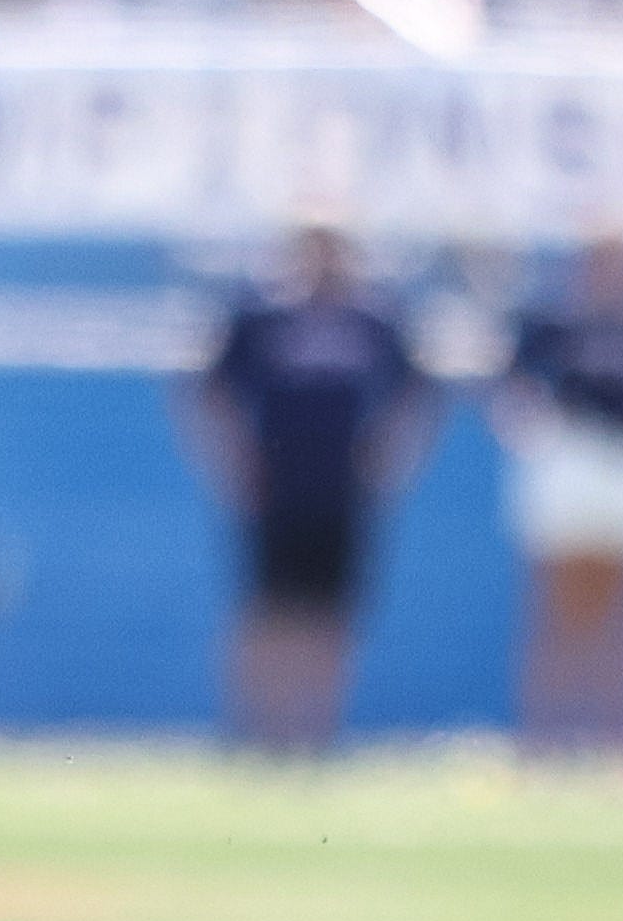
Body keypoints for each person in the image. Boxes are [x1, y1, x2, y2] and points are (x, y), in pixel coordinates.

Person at [185, 225, 436, 752]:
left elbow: (418, 395)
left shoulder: (374, 321)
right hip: (276, 491)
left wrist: (391, 458)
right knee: (268, 613)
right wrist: (233, 462)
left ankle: (315, 734)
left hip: (343, 491)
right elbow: (205, 391)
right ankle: (254, 733)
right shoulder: (261, 318)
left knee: (331, 618)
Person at [494, 235, 623, 751]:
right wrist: (536, 430)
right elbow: (510, 388)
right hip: (568, 462)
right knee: (557, 608)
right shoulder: (550, 324)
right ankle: (545, 735)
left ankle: (620, 736)